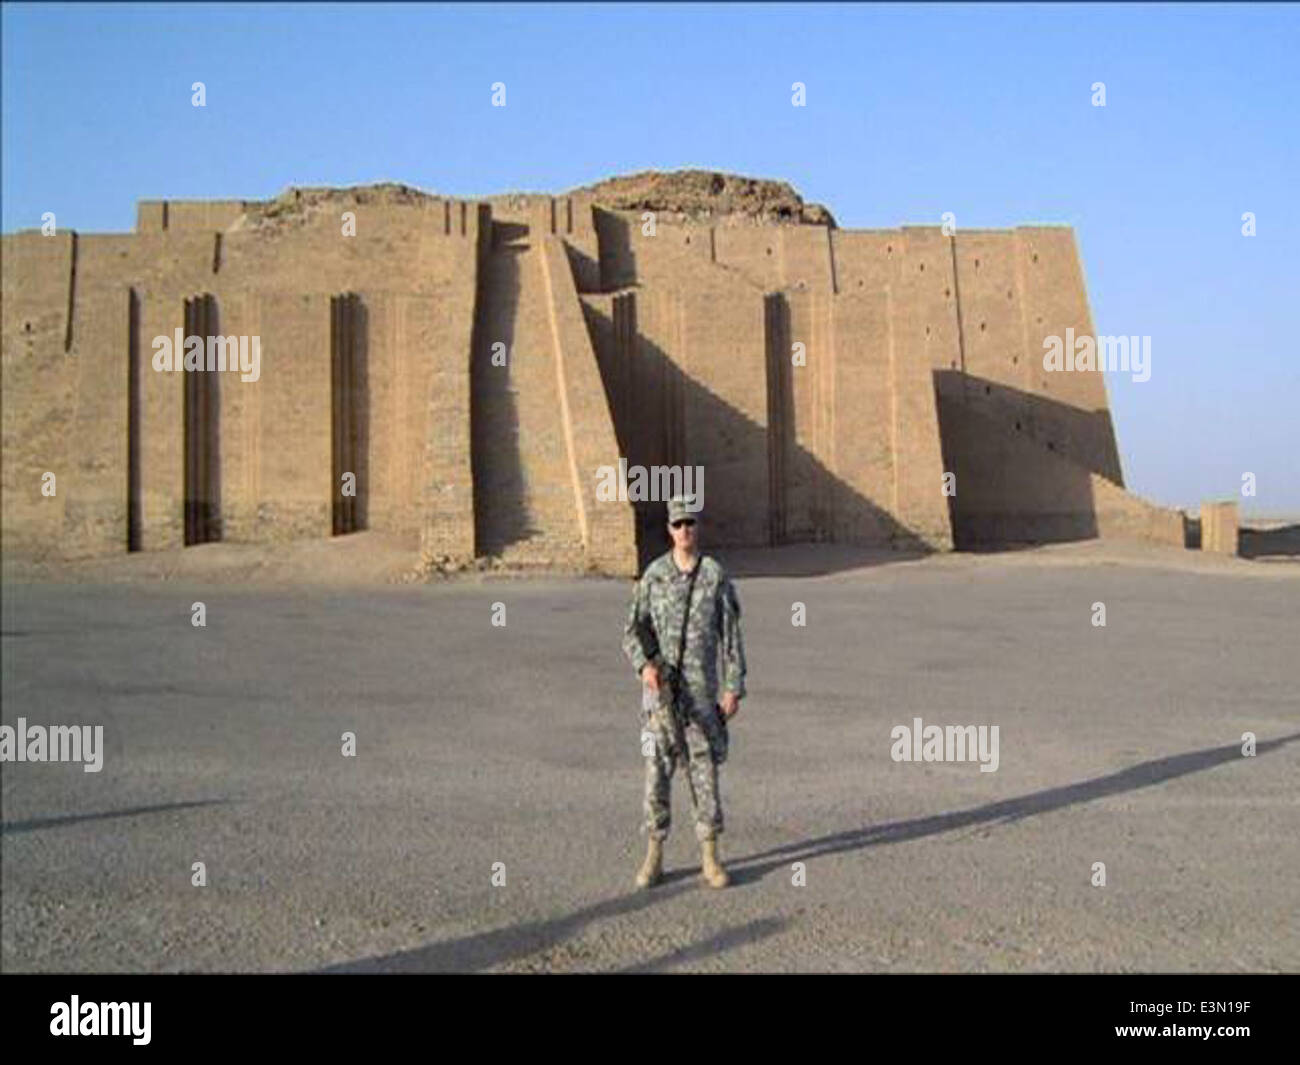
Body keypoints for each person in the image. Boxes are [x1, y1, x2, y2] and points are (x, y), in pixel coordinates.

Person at [621, 494, 747, 889]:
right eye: (678, 524)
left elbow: (731, 637)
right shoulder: (653, 575)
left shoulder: (714, 576)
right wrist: (645, 667)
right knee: (656, 774)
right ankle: (654, 855)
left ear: (698, 527)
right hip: (660, 698)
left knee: (704, 775)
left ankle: (710, 856)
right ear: (669, 529)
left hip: (701, 696)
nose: (684, 530)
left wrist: (732, 687)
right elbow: (632, 631)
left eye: (690, 523)